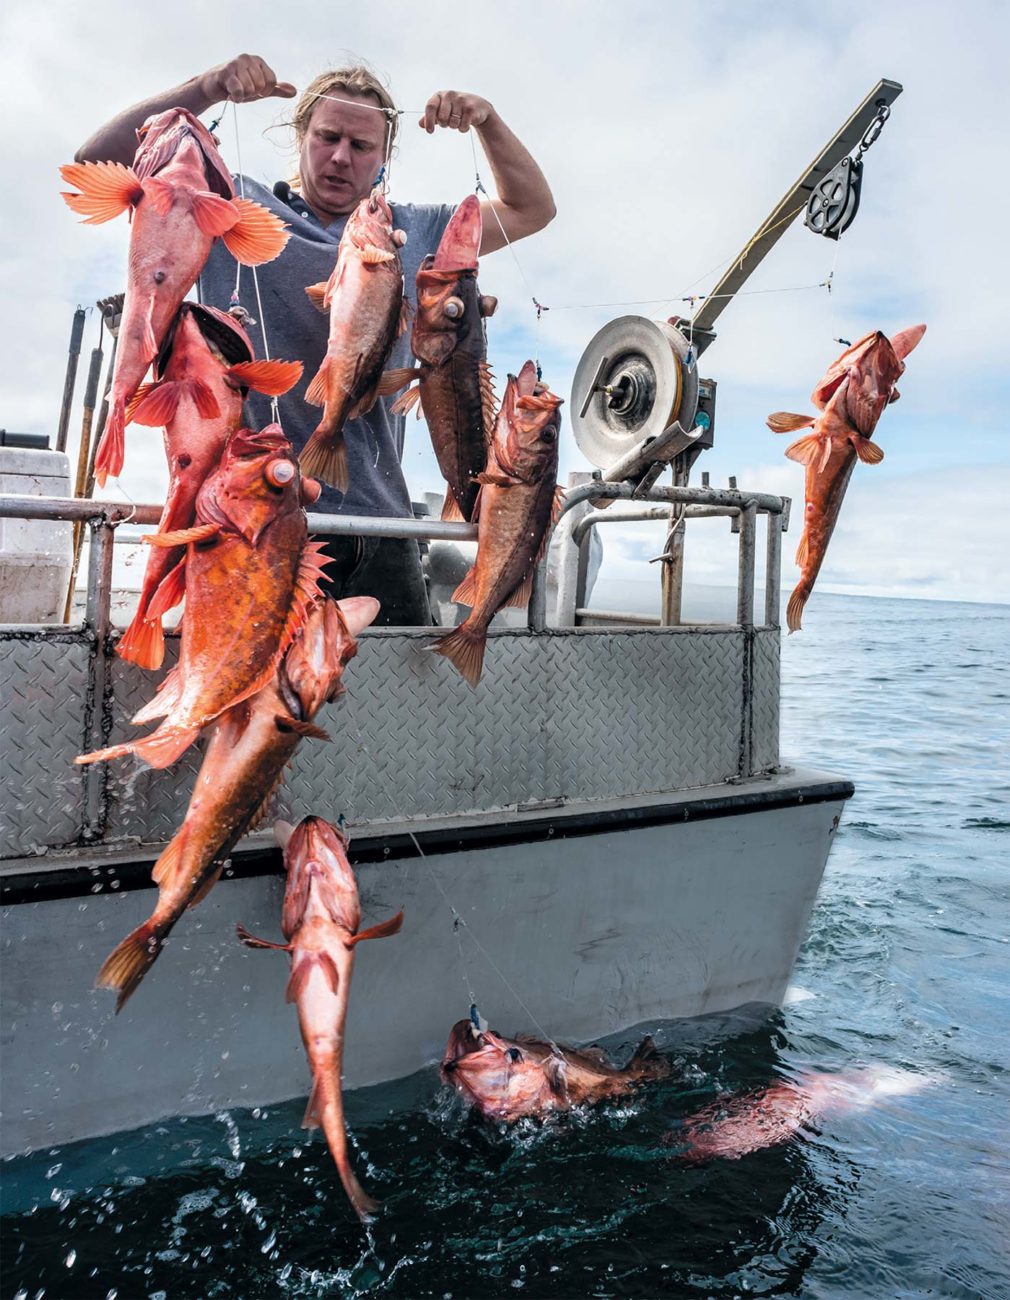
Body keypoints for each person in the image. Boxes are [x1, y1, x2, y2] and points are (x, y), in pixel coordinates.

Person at [76, 54, 556, 625]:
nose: (339, 158)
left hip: (382, 523)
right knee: (247, 698)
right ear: (300, 135)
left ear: (383, 158)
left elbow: (534, 208)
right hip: (254, 514)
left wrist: (487, 121)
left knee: (396, 704)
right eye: (327, 137)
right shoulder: (231, 204)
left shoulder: (420, 231)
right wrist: (206, 88)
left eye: (361, 147)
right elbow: (96, 161)